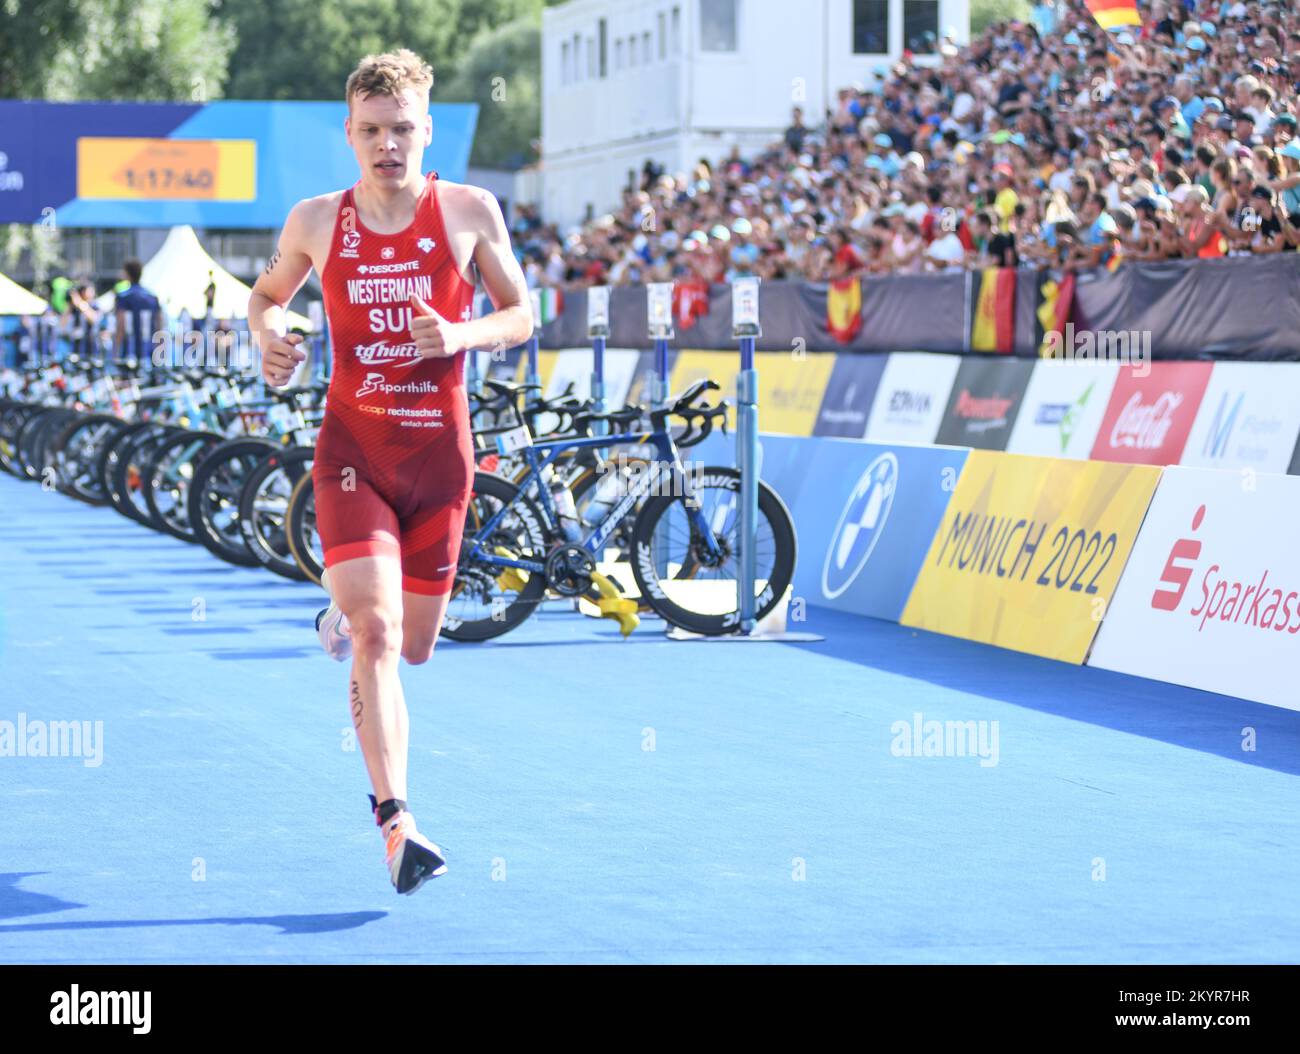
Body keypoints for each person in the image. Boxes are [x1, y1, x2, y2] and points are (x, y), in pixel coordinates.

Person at [248, 49, 532, 896]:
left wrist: (460, 335)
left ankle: (342, 612)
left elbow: (522, 312)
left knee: (413, 647)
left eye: (401, 129)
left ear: (426, 130)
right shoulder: (314, 220)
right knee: (375, 636)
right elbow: (265, 298)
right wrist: (271, 337)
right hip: (352, 454)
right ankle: (397, 822)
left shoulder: (471, 211)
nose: (387, 145)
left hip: (440, 461)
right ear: (349, 133)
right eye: (371, 131)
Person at [113, 260, 161, 365]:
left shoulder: (123, 296)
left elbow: (121, 325)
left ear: (127, 274)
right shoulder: (152, 296)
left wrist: (115, 351)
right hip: (149, 351)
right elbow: (159, 324)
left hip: (129, 351)